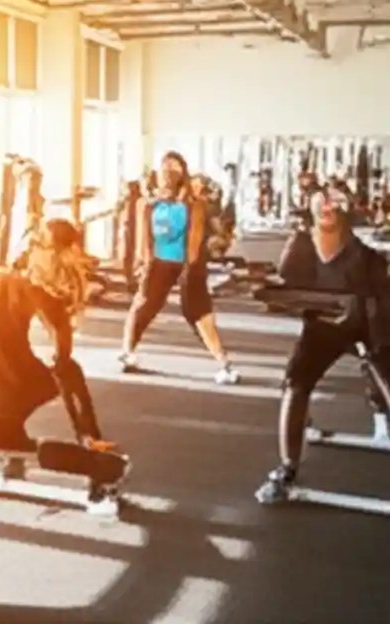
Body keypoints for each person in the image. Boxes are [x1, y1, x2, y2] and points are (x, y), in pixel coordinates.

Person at [256, 184, 390, 503]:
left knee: (382, 381)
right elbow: (286, 289)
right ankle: (287, 466)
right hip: (323, 328)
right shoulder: (301, 244)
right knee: (295, 385)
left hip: (369, 325)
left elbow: (383, 299)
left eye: (335, 204)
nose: (328, 209)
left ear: (345, 212)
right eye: (322, 203)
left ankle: (381, 414)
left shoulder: (364, 256)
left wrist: (374, 345)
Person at [0, 219, 112, 452]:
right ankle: (89, 438)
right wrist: (60, 357)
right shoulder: (31, 290)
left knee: (12, 376)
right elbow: (61, 336)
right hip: (11, 396)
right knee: (70, 370)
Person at [118, 151, 240, 385]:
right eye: (165, 169)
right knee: (143, 305)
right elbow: (144, 239)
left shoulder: (192, 204)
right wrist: (143, 264)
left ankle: (223, 363)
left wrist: (190, 267)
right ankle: (127, 352)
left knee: (198, 311)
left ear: (182, 173)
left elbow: (194, 238)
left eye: (174, 170)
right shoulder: (147, 204)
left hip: (186, 262)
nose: (168, 174)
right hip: (159, 262)